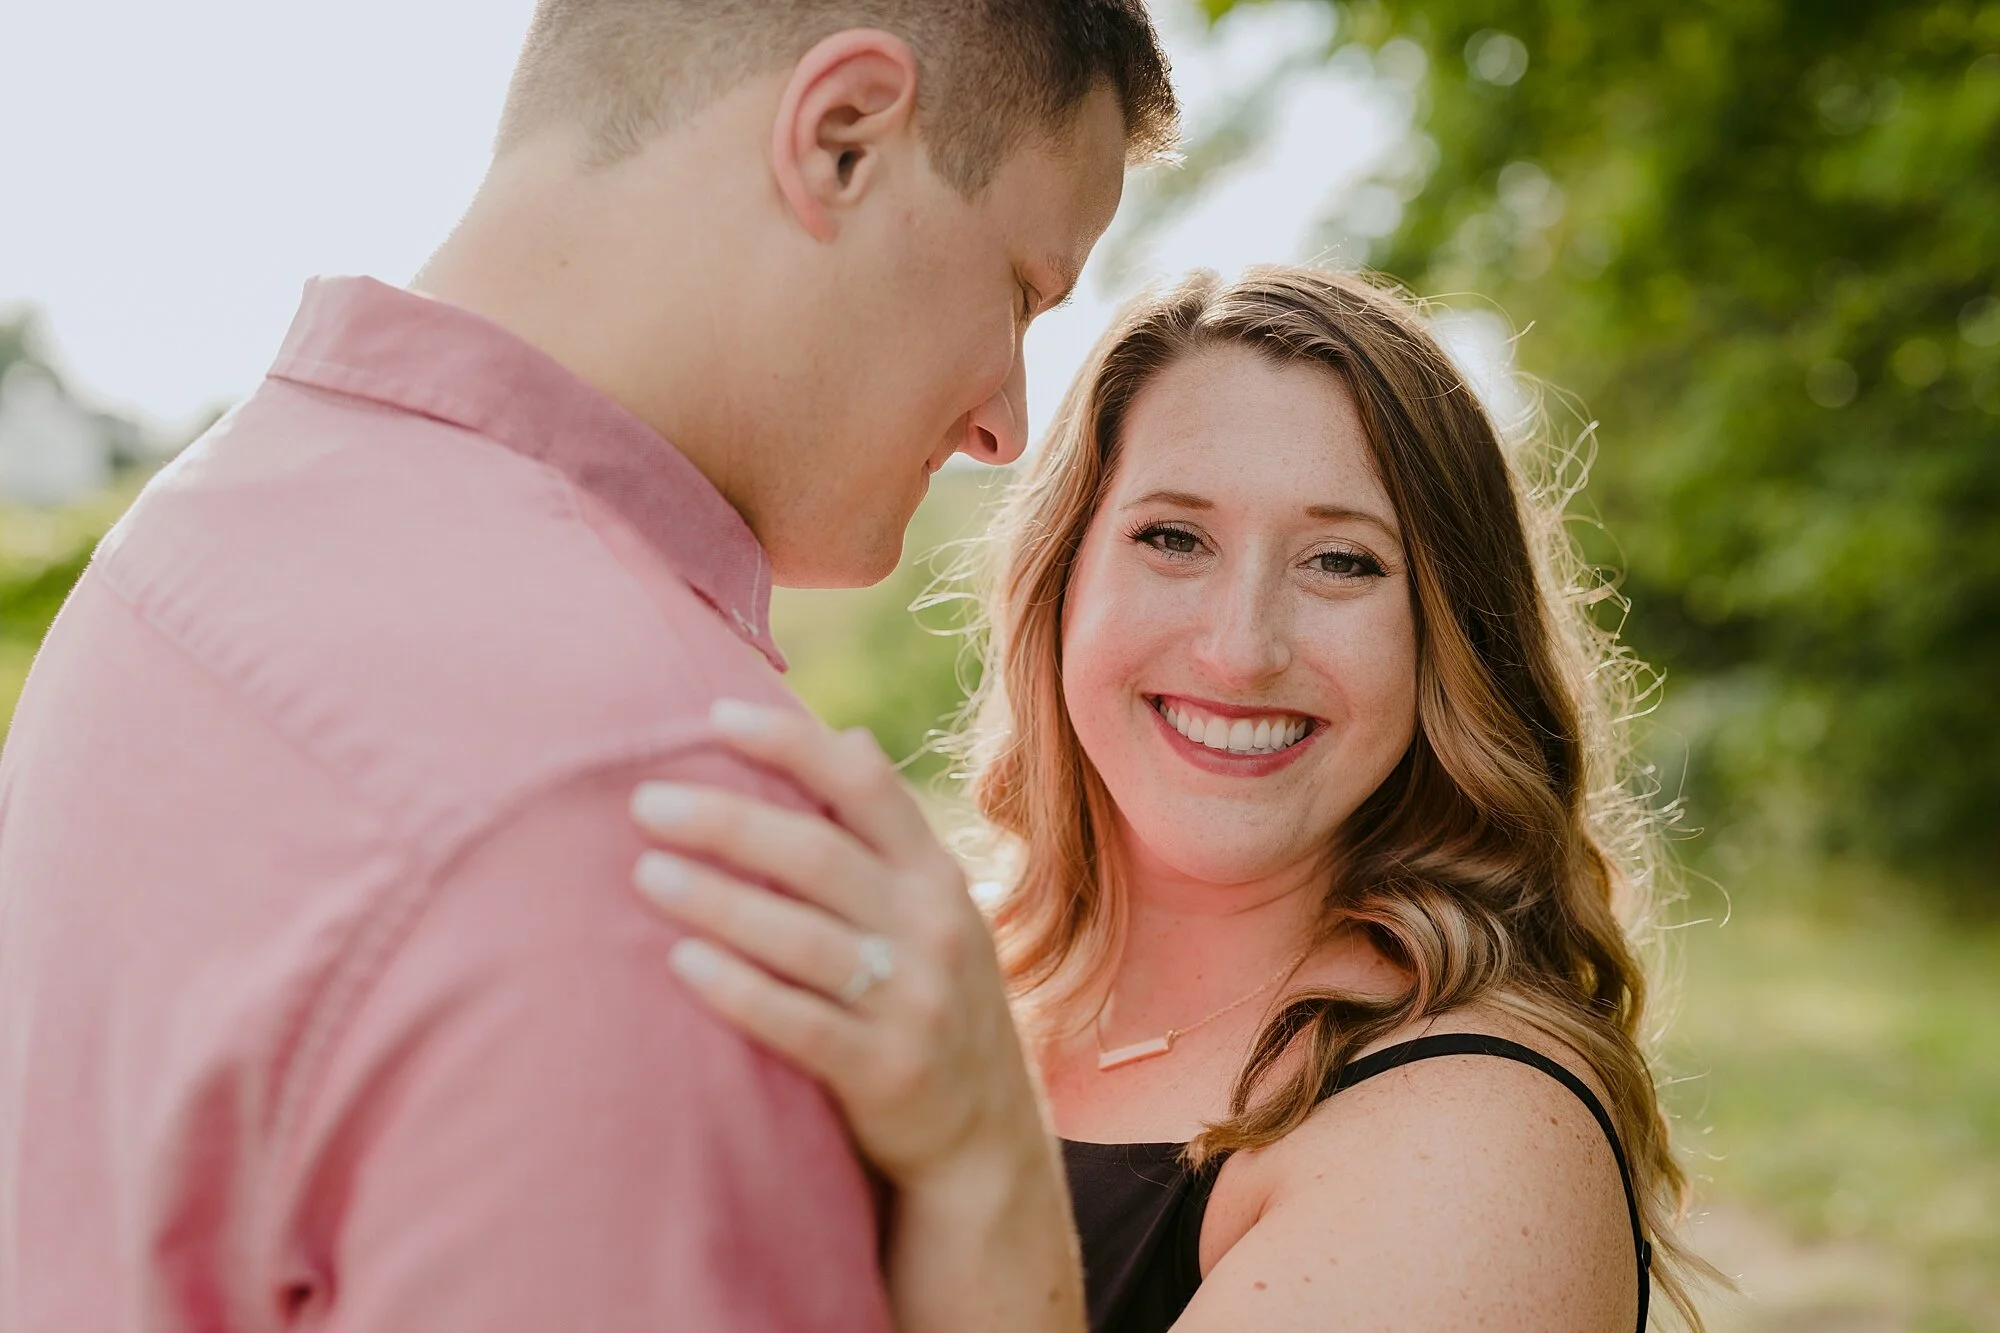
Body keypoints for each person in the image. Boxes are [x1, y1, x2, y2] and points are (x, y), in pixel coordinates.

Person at [0, 4, 1176, 1330]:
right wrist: (996, 1194)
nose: (1006, 424)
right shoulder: (677, 822)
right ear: (844, 137)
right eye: (1023, 288)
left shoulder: (185, 540)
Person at [626, 267, 1721, 1332]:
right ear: (1060, 582)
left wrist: (973, 1165)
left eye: (1341, 562)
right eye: (1172, 538)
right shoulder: (949, 980)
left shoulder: (1476, 1133)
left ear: (1445, 638)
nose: (1241, 650)